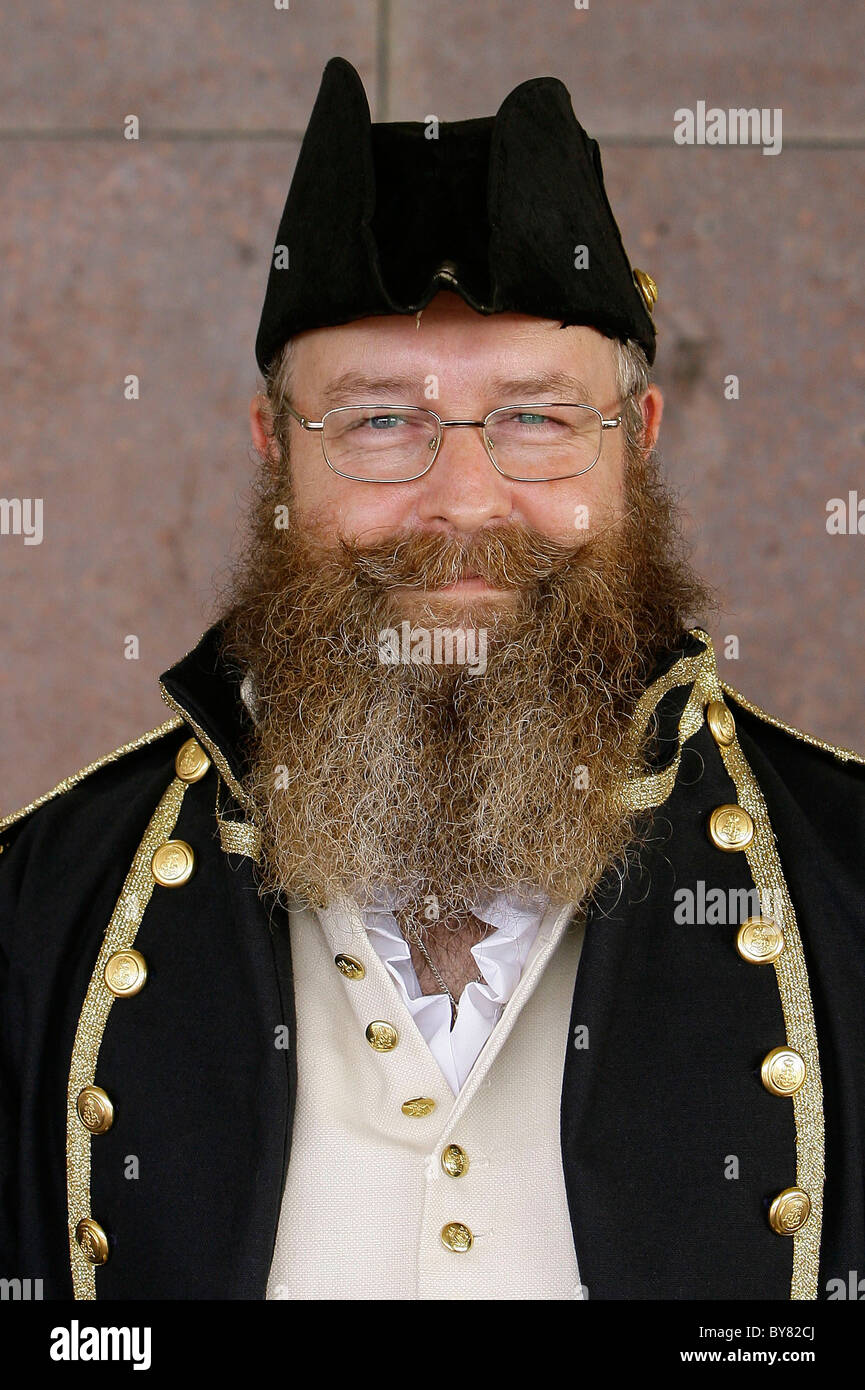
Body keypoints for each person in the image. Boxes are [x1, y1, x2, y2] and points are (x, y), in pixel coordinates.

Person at [2, 56, 864, 1302]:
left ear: (639, 442)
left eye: (534, 419)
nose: (462, 503)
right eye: (377, 423)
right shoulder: (40, 912)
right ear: (272, 452)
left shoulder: (845, 889)